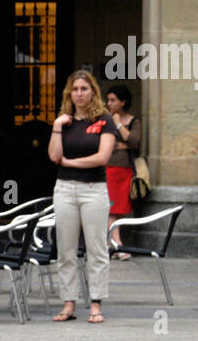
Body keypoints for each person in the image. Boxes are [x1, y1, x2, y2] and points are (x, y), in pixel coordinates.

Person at [47, 69, 117, 324]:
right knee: (65, 249)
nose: (79, 94)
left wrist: (71, 162)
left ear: (92, 92)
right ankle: (68, 304)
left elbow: (102, 158)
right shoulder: (64, 122)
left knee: (96, 248)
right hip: (64, 189)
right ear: (70, 93)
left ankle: (96, 304)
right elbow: (54, 157)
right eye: (75, 89)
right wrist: (56, 126)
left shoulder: (104, 120)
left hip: (93, 190)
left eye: (84, 89)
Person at [104, 85, 142, 258]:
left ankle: (109, 246)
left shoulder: (134, 121)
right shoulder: (104, 119)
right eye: (108, 100)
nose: (109, 103)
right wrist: (118, 144)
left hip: (125, 170)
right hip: (108, 169)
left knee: (118, 210)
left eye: (113, 100)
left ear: (123, 102)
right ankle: (119, 246)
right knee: (111, 209)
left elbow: (134, 141)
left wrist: (119, 123)